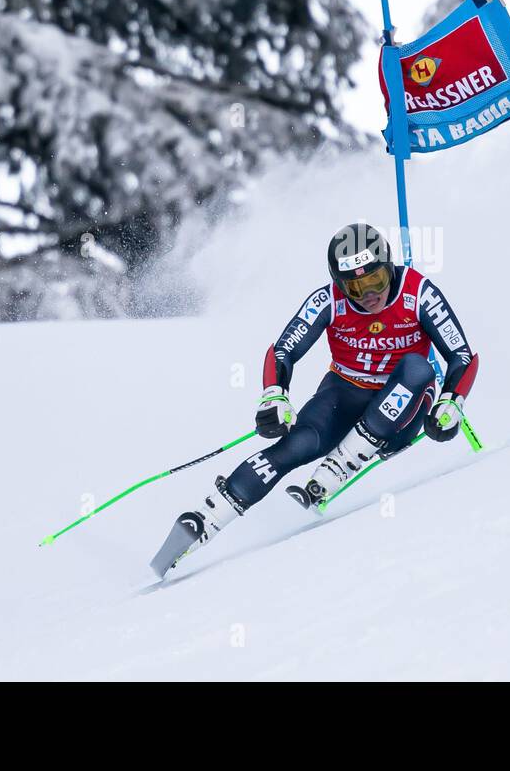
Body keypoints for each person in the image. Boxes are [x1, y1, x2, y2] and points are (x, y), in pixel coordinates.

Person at [151, 222, 478, 577]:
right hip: (346, 390)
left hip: (404, 406)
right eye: (356, 286)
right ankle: (205, 519)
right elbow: (282, 352)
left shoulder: (419, 293)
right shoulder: (329, 301)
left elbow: (461, 355)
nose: (369, 295)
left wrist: (451, 402)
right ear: (339, 284)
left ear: (389, 268)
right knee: (298, 443)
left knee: (416, 368)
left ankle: (338, 467)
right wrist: (274, 395)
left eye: (377, 281)